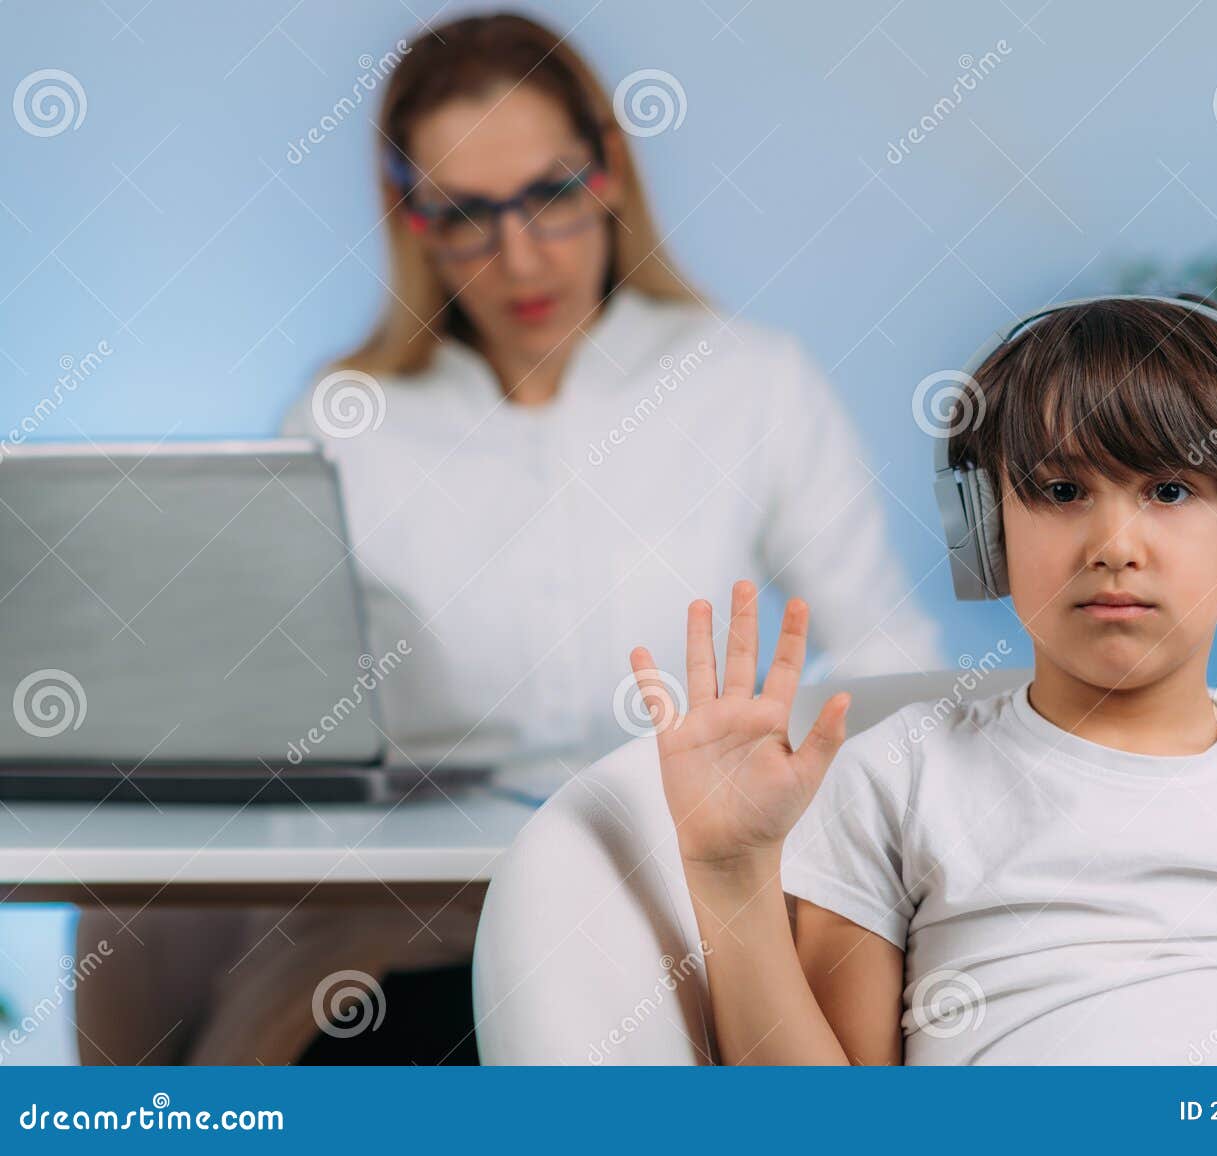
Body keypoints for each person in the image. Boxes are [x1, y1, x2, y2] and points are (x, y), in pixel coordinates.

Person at [75, 10, 940, 1066]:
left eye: (548, 196)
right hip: (405, 922)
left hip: (668, 899)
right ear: (411, 215)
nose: (519, 254)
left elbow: (891, 666)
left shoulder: (745, 380)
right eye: (467, 213)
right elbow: (269, 715)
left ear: (608, 171)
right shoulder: (347, 414)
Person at [628, 295, 1217, 1064]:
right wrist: (731, 874)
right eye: (1063, 490)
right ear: (984, 534)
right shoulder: (897, 778)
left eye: (1171, 490)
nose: (1114, 544)